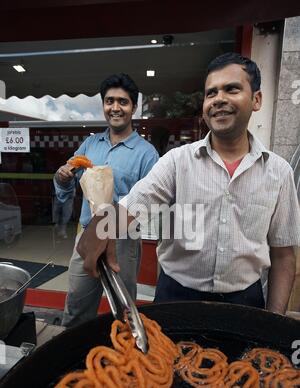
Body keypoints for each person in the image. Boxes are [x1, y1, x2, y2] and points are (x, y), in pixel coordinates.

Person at [77, 53, 300, 315]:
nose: (219, 100)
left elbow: (283, 254)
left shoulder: (279, 172)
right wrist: (101, 228)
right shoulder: (177, 161)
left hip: (245, 301)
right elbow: (136, 203)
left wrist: (273, 320)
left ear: (256, 99)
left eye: (232, 89)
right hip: (176, 295)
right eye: (211, 93)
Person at [54, 73, 159, 327]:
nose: (115, 107)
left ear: (133, 107)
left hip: (122, 239)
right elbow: (65, 183)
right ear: (103, 105)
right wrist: (63, 179)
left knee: (124, 309)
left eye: (122, 102)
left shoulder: (147, 154)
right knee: (77, 304)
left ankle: (123, 357)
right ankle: (74, 355)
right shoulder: (90, 145)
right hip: (88, 234)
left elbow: (152, 205)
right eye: (109, 101)